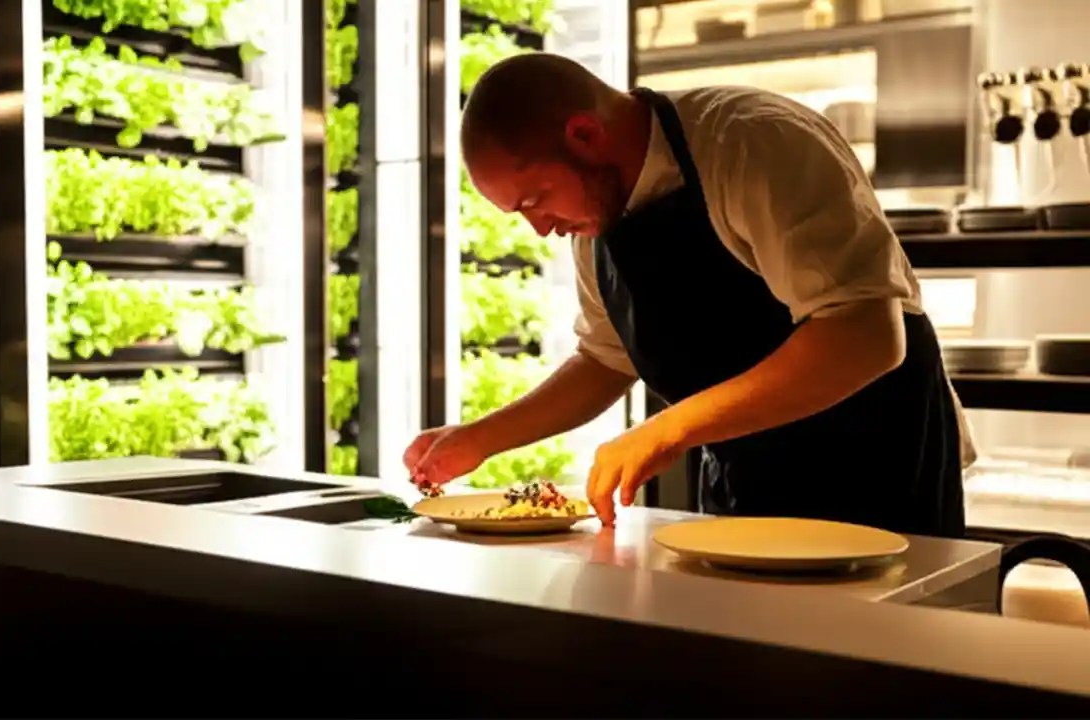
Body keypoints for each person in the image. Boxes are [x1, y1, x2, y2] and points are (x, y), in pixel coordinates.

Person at [402, 52, 975, 538]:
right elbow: (605, 360)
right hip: (747, 479)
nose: (540, 229)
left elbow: (866, 334)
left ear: (584, 134)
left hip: (878, 469)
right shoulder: (595, 219)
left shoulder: (754, 142)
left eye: (535, 201)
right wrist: (477, 440)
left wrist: (669, 428)